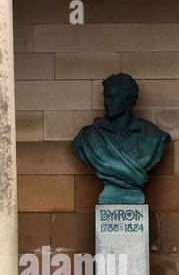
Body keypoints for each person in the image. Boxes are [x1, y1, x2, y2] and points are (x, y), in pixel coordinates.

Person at [71, 73, 171, 204]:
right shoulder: (88, 137)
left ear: (129, 100)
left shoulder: (155, 138)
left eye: (112, 97)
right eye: (105, 97)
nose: (106, 102)